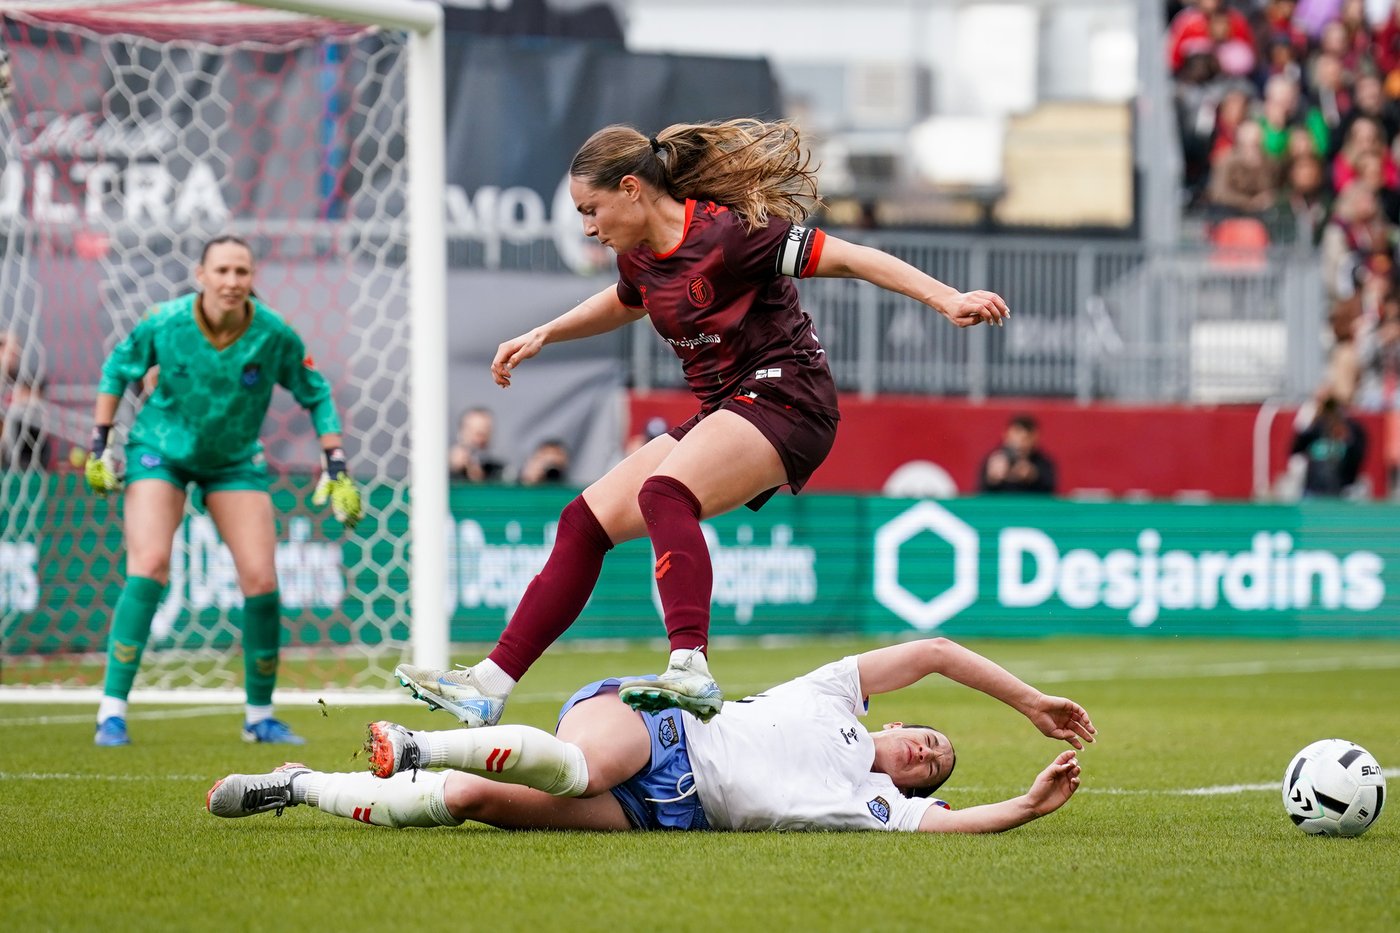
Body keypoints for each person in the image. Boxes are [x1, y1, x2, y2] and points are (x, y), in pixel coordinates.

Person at [392, 119, 1010, 728]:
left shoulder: (737, 235)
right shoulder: (639, 256)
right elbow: (624, 301)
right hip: (728, 407)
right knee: (584, 522)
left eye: (592, 209)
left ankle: (690, 666)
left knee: (664, 492)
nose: (587, 226)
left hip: (789, 398)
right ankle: (488, 687)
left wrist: (946, 299)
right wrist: (545, 333)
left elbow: (853, 259)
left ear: (632, 189)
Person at [206, 636, 1093, 834]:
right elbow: (935, 650)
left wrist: (1023, 802)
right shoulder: (833, 697)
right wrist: (1030, 702)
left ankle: (299, 783)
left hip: (669, 809)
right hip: (657, 727)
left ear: (910, 787)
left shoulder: (870, 806)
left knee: (470, 802)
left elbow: (954, 826)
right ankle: (418, 744)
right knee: (582, 761)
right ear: (893, 722)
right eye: (929, 739)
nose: (926, 753)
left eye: (931, 768)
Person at [83, 235, 363, 747]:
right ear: (201, 275)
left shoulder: (273, 333)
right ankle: (111, 711)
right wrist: (101, 444)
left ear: (252, 278)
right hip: (158, 450)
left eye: (242, 271)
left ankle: (259, 717)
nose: (232, 281)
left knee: (261, 580)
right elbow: (117, 371)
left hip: (234, 460)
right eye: (223, 271)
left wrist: (335, 460)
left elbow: (316, 392)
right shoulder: (163, 321)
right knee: (148, 566)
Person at [1291, 395, 1368, 496]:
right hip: (1314, 489)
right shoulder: (1316, 429)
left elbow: (1358, 457)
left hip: (1341, 490)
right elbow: (1295, 449)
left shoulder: (1352, 430)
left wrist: (1347, 438)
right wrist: (1310, 424)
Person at [979, 414, 1058, 494]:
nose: (1021, 442)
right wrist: (992, 479)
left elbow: (1050, 492)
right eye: (1017, 434)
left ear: (1035, 438)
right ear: (1006, 435)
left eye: (1027, 437)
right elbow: (980, 493)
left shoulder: (1043, 462)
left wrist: (1033, 476)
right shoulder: (994, 460)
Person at [448, 406, 505, 482]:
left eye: (485, 431)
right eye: (474, 431)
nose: (479, 438)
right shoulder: (443, 466)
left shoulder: (498, 470)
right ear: (461, 432)